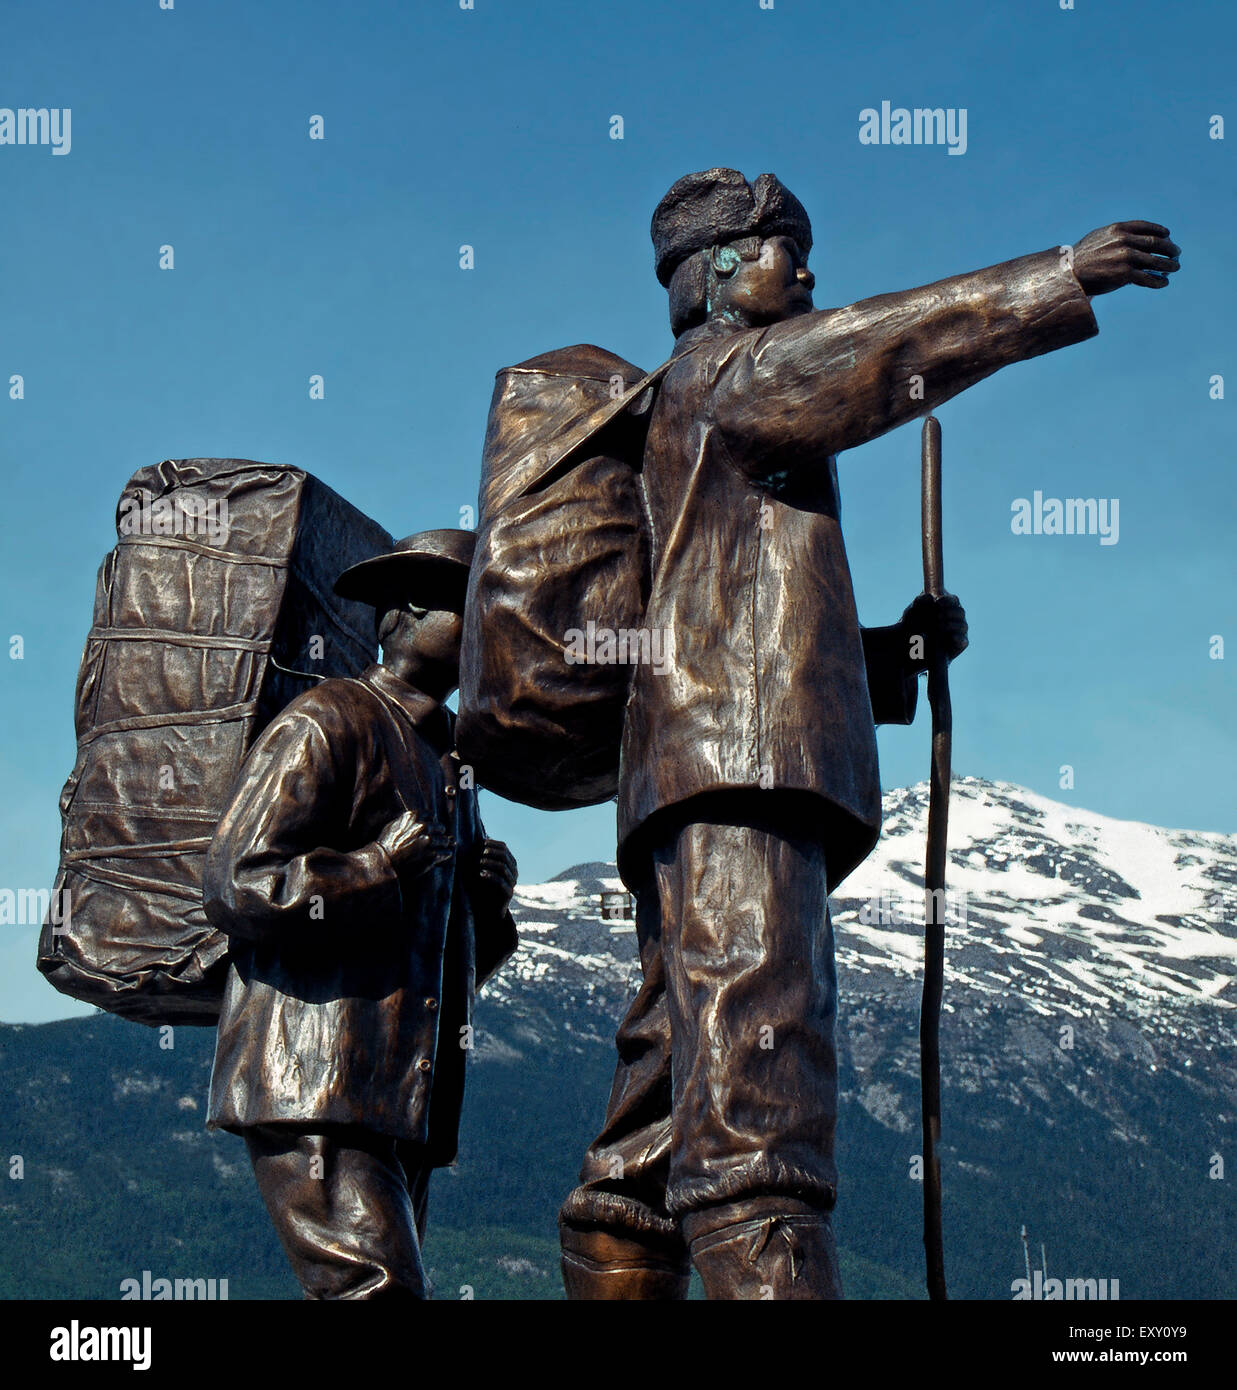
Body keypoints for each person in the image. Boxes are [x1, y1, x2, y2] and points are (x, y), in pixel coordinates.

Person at [558, 168, 1179, 1299]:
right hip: (743, 778)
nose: (806, 274)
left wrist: (888, 653)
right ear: (721, 272)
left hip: (694, 775)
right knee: (759, 1089)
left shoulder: (696, 414)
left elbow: (728, 610)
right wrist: (1055, 278)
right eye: (786, 251)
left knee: (660, 1099)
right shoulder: (730, 375)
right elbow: (883, 351)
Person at [204, 528, 518, 1300]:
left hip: (394, 1100)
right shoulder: (328, 720)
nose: (490, 634)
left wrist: (485, 904)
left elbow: (444, 961)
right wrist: (374, 867)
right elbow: (237, 880)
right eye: (472, 610)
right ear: (409, 610)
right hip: (316, 1078)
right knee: (377, 1294)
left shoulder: (448, 764)